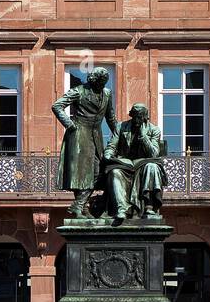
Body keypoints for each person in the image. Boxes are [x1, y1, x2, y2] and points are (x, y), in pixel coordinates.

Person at [52, 67, 118, 217]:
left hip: (96, 135)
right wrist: (69, 124)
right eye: (100, 83)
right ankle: (82, 208)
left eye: (104, 83)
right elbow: (57, 105)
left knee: (98, 172)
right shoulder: (78, 91)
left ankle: (79, 205)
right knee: (80, 174)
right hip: (79, 134)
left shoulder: (107, 94)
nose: (102, 86)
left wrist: (120, 134)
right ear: (93, 81)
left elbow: (110, 117)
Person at [102, 103, 167, 222]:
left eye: (140, 117)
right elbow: (112, 145)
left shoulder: (154, 130)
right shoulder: (121, 127)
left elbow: (154, 153)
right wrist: (108, 154)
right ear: (131, 115)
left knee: (152, 167)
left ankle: (149, 206)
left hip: (144, 164)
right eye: (135, 116)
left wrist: (144, 137)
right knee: (114, 172)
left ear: (145, 117)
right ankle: (122, 209)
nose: (137, 120)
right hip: (124, 164)